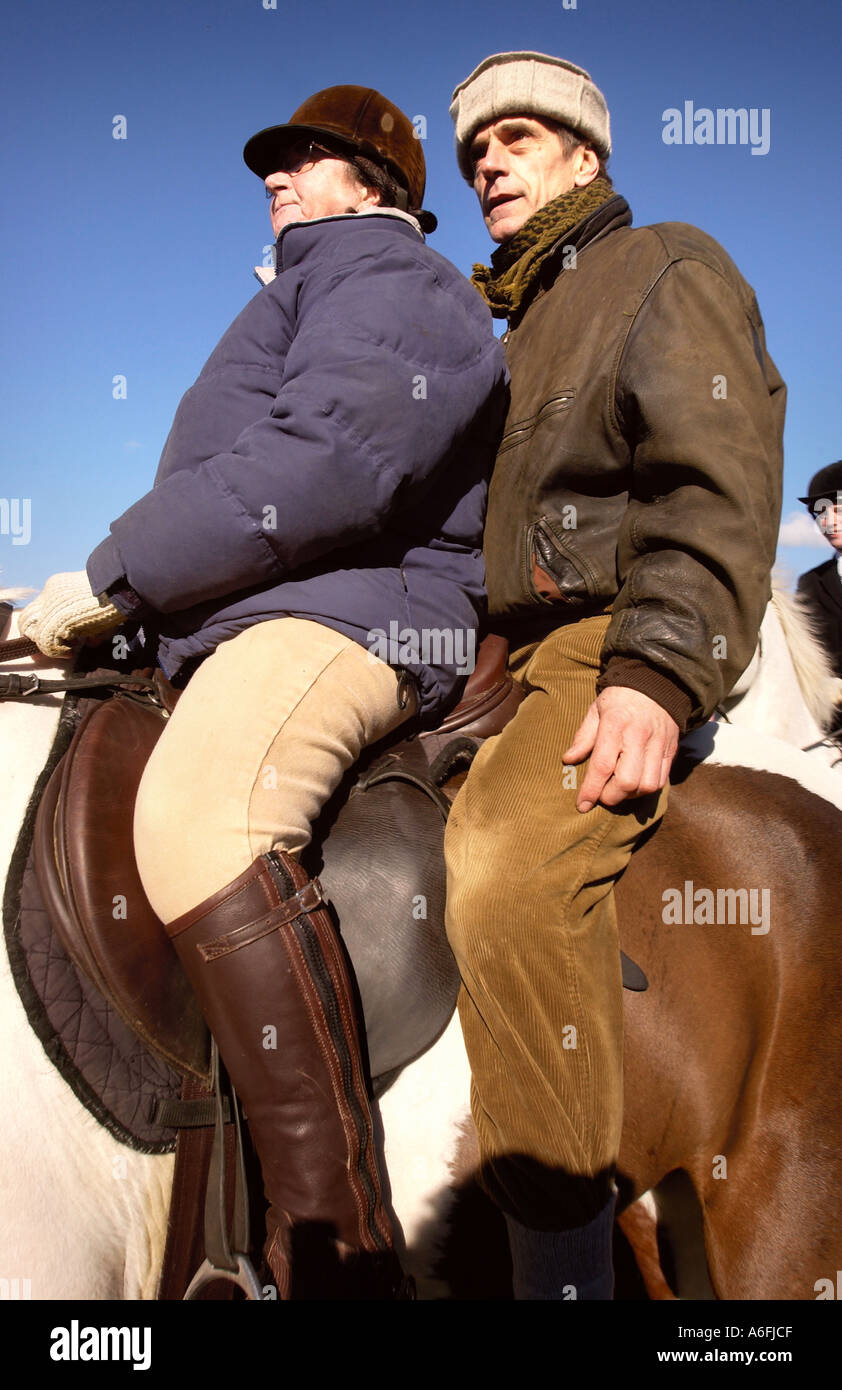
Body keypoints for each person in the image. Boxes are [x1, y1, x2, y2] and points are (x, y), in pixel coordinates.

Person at [19, 84, 506, 1299]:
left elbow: (327, 461)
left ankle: (337, 1245)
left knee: (205, 816)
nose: (277, 176)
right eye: (274, 161)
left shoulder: (393, 283)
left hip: (369, 610)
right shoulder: (310, 283)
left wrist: (118, 571)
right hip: (268, 608)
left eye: (306, 159)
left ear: (374, 186)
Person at [444, 51, 785, 1299]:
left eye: (518, 139)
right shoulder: (508, 324)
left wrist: (653, 671)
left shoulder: (664, 266)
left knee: (501, 882)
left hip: (601, 632)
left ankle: (561, 1277)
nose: (489, 162)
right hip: (488, 649)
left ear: (585, 159)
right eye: (477, 149)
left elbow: (718, 474)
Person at [798, 461, 842, 732]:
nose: (827, 521)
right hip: (833, 728)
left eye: (837, 509)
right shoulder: (811, 583)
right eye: (819, 513)